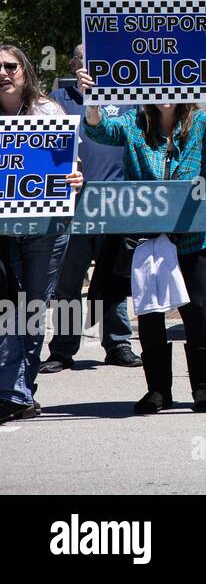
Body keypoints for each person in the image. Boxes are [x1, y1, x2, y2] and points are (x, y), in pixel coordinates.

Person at [78, 55, 206, 415]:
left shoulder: (201, 123)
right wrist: (90, 98)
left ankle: (204, 387)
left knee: (197, 308)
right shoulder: (133, 125)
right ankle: (158, 390)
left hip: (195, 235)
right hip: (147, 236)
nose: (166, 92)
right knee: (150, 311)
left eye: (174, 84)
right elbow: (97, 129)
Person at [42, 43, 141, 373]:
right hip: (71, 205)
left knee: (113, 278)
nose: (95, 65)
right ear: (73, 65)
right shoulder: (56, 102)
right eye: (87, 59)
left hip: (115, 203)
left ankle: (117, 343)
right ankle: (63, 349)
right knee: (67, 281)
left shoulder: (126, 98)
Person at [0, 45, 85, 423]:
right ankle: (14, 392)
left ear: (25, 70)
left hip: (46, 227)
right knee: (6, 310)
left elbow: (70, 164)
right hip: (2, 230)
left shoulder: (49, 111)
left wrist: (76, 177)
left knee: (34, 308)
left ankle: (20, 390)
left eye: (10, 66)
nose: (3, 72)